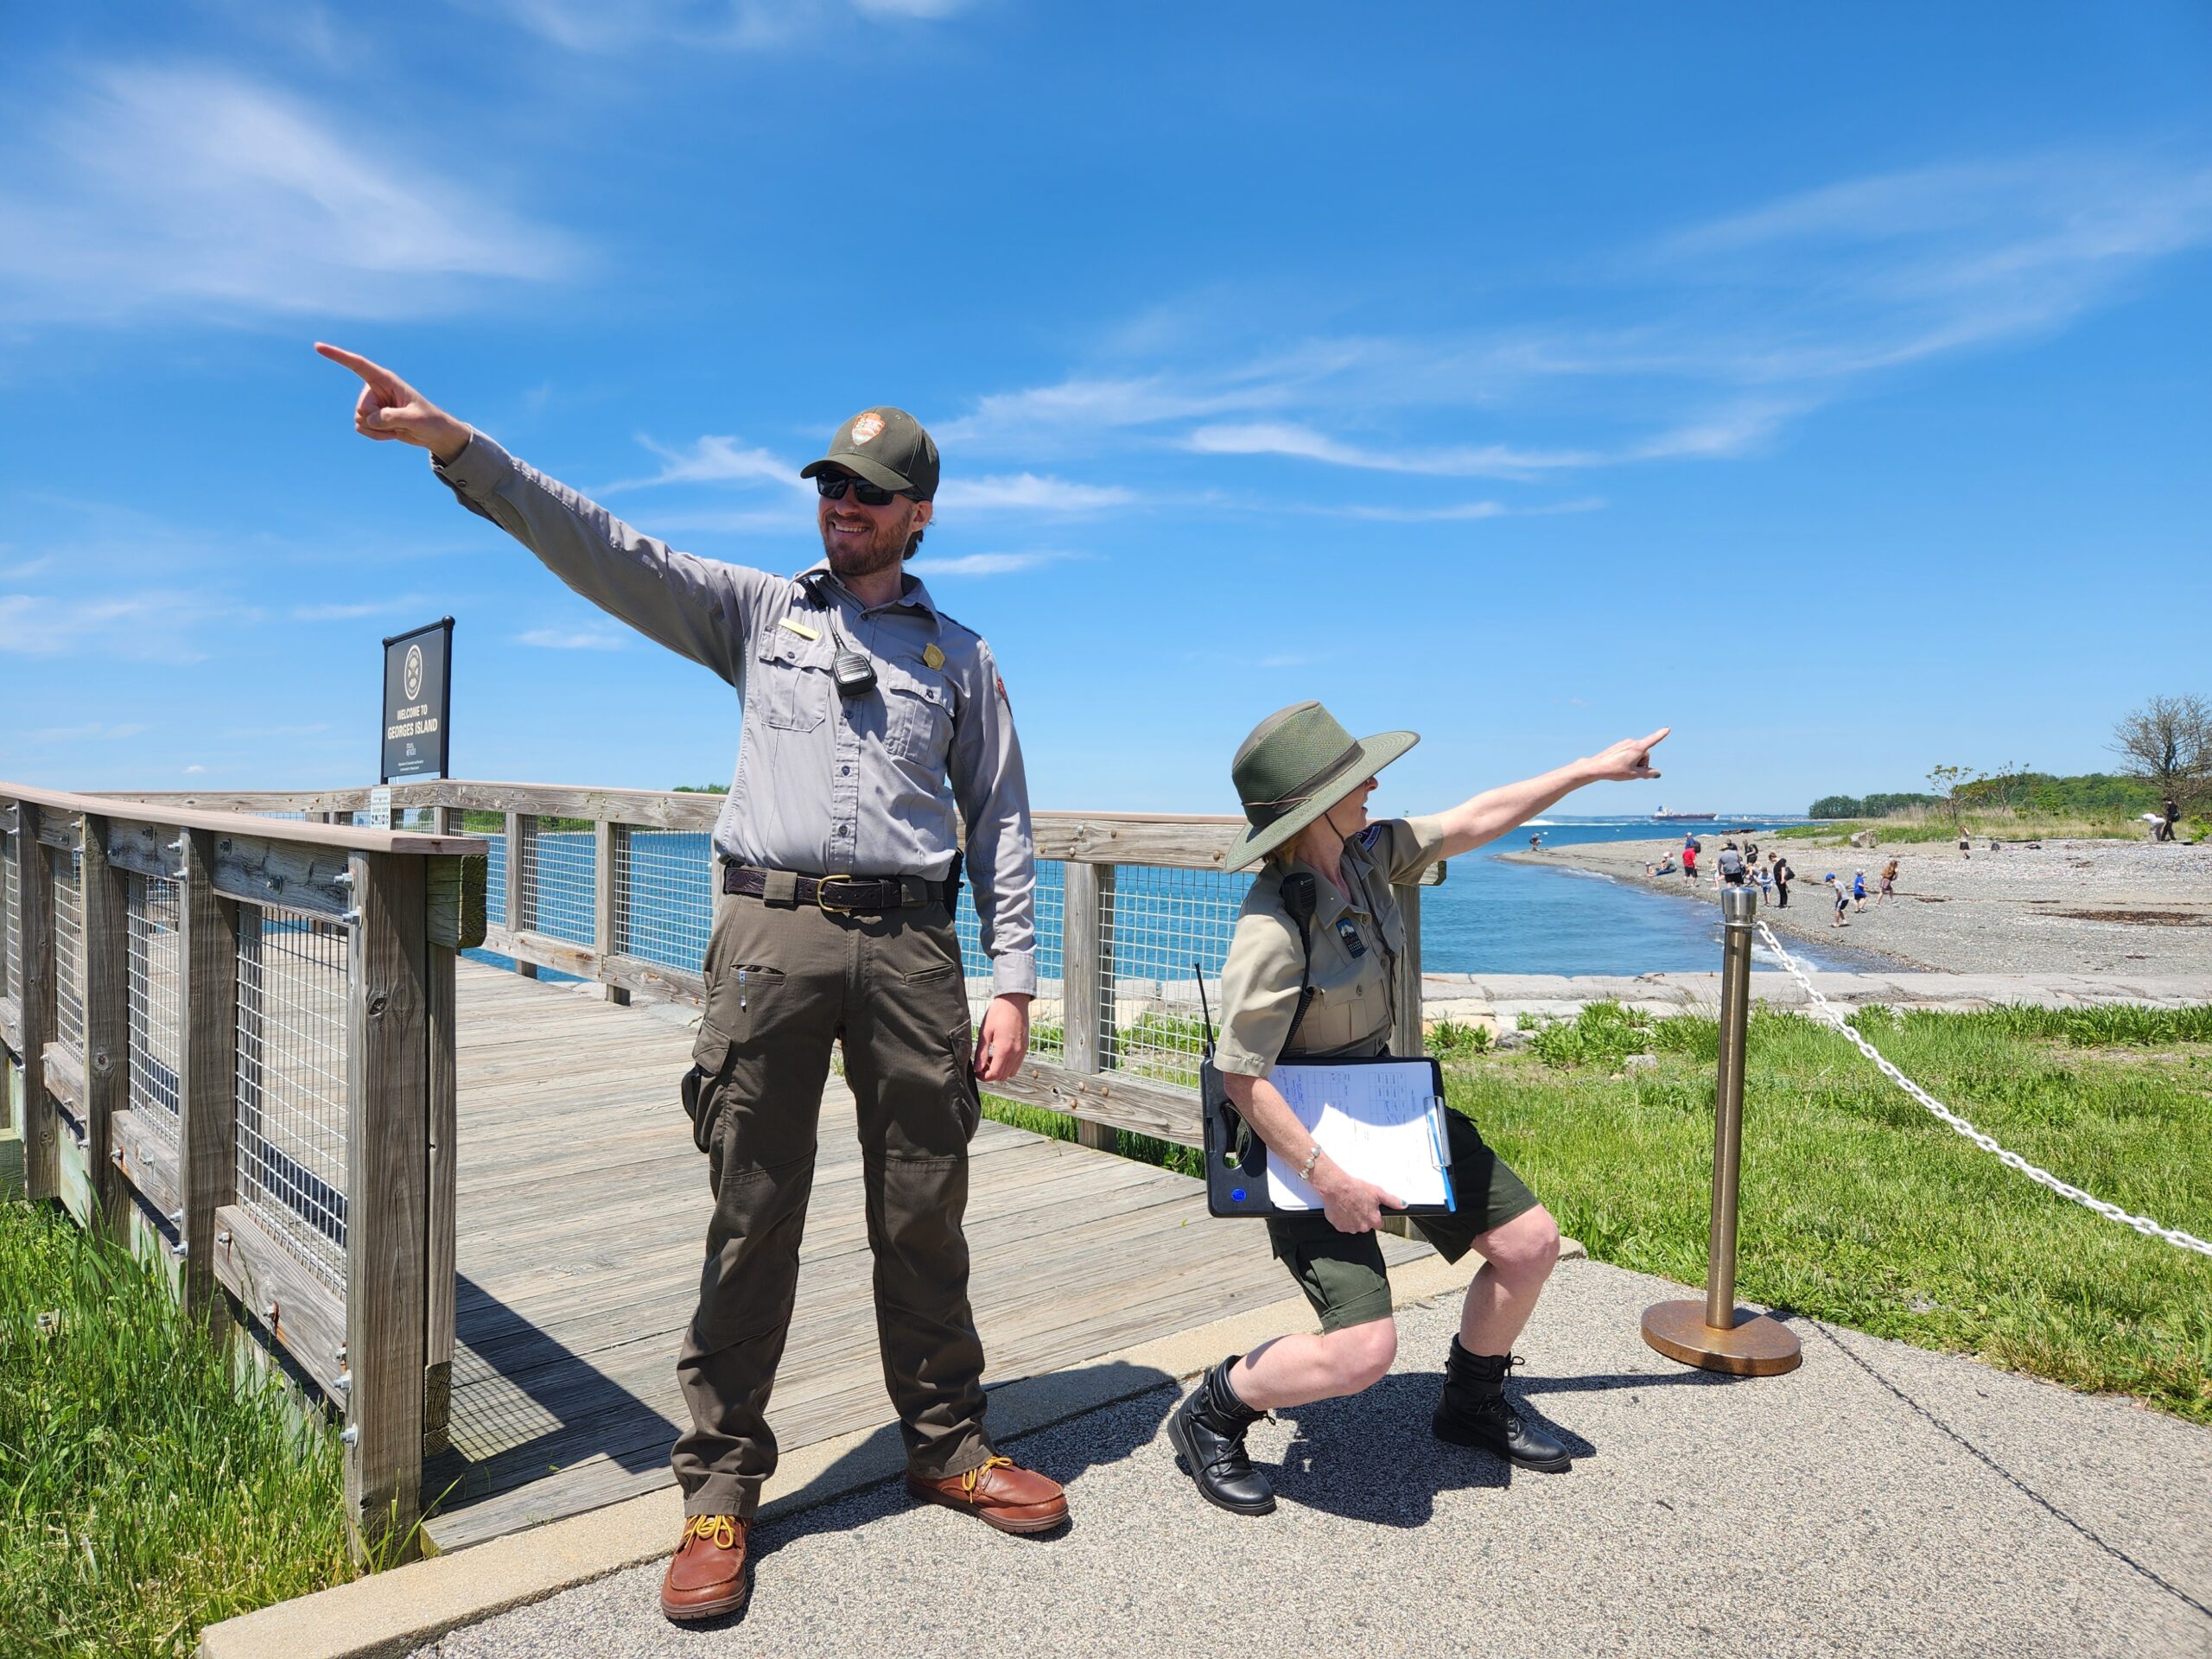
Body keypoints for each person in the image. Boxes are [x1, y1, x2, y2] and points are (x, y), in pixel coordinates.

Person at [317, 346, 1066, 1622]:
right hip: (769, 941)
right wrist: (458, 447)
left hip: (913, 952)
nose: (843, 504)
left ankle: (947, 1445)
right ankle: (718, 1489)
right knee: (751, 1212)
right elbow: (607, 549)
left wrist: (1013, 981)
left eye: (870, 492)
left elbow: (1001, 820)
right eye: (830, 485)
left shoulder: (961, 658)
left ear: (919, 514)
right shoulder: (758, 615)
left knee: (924, 1211)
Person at [1166, 702, 1669, 1515]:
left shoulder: (1367, 854)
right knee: (1361, 1354)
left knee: (1529, 1244)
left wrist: (1587, 770)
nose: (1373, 786)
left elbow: (1474, 818)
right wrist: (1329, 1178)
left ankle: (1471, 1402)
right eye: (1355, 779)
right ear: (1313, 805)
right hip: (1304, 1134)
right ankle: (1214, 1410)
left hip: (1389, 1101)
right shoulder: (1272, 927)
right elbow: (1241, 1079)